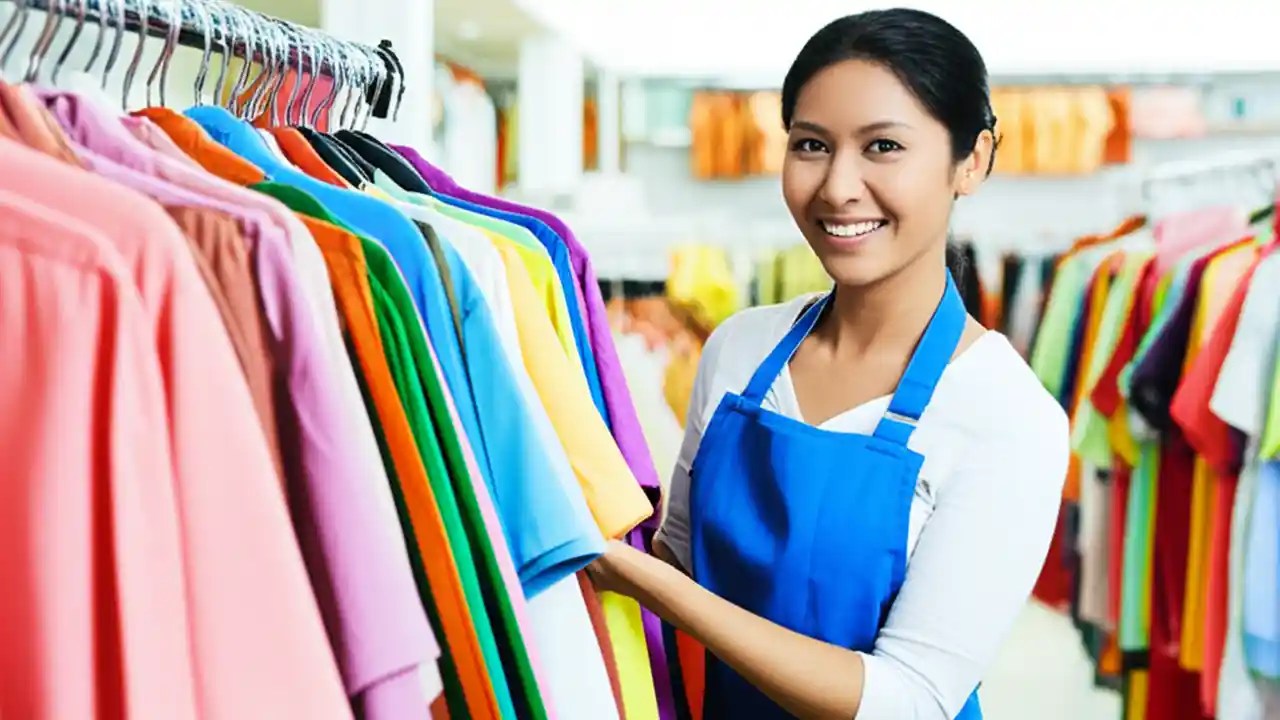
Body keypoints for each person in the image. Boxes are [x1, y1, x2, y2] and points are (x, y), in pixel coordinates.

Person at [585, 9, 1070, 719]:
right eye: (811, 144)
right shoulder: (738, 350)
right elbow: (681, 558)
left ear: (974, 160)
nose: (838, 186)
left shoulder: (1007, 416)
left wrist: (648, 585)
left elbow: (911, 697)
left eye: (882, 147)